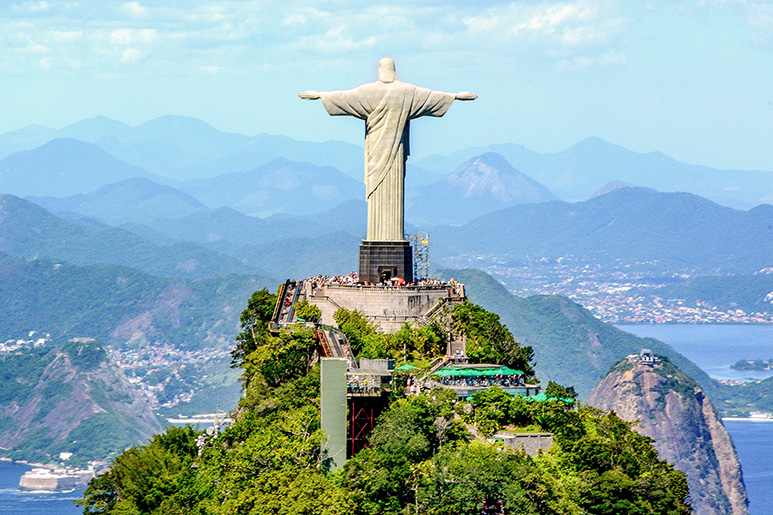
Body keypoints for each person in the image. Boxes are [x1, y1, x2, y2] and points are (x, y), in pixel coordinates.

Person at [299, 57, 476, 241]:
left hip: (375, 152)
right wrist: (455, 96)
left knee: (378, 189)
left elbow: (344, 97)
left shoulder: (367, 91)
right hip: (396, 152)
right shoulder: (407, 92)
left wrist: (320, 95)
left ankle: (380, 236)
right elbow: (431, 97)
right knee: (391, 190)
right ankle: (390, 236)